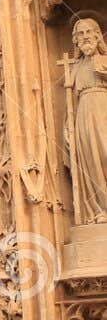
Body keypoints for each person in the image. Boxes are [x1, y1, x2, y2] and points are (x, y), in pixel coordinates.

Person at [67, 16, 107, 223]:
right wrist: (68, 123)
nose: (85, 37)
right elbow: (71, 99)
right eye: (80, 34)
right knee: (90, 160)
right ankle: (100, 208)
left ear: (97, 35)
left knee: (104, 153)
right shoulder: (75, 67)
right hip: (84, 113)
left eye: (88, 32)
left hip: (103, 108)